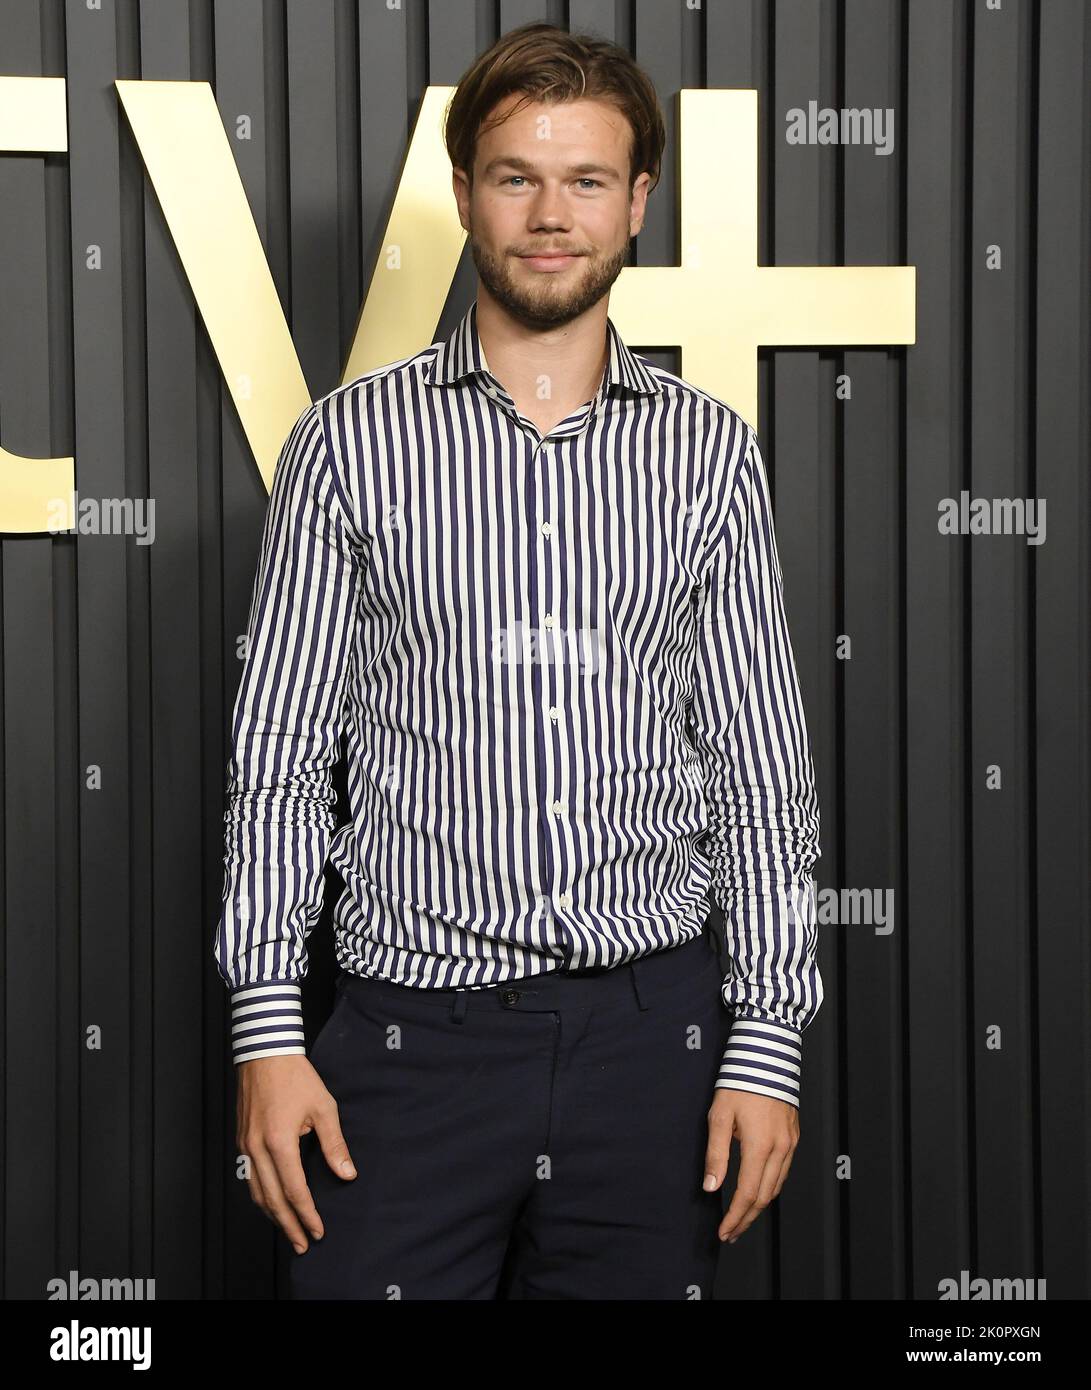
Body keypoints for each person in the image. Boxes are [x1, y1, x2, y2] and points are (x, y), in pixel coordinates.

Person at [214, 20, 823, 1301]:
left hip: (652, 1044)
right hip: (401, 1044)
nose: (551, 215)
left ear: (637, 201)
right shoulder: (344, 448)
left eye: (586, 179)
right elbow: (278, 761)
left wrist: (763, 1041)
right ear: (464, 195)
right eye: (516, 177)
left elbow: (760, 769)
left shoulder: (708, 454)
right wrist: (267, 1028)